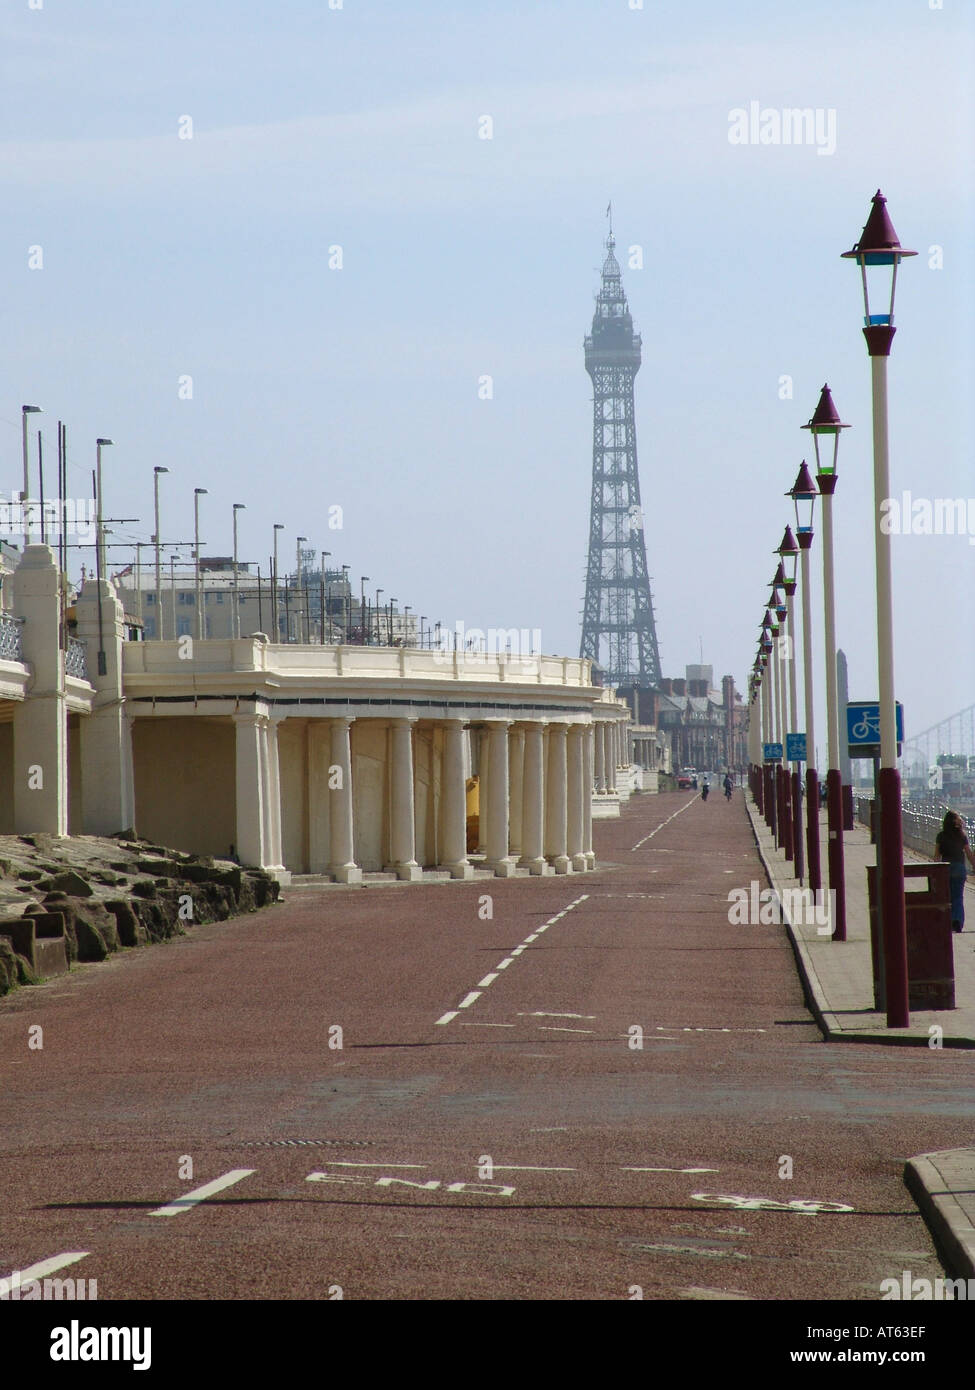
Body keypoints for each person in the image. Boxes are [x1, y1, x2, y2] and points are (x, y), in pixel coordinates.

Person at [934, 810, 975, 933]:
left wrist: (935, 870)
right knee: (958, 896)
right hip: (959, 868)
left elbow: (936, 856)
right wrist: (974, 865)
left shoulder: (941, 836)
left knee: (949, 896)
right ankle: (957, 920)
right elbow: (968, 854)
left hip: (946, 868)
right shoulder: (962, 836)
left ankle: (950, 920)